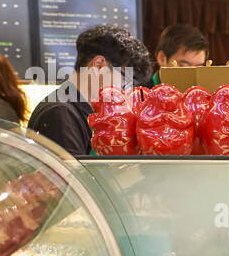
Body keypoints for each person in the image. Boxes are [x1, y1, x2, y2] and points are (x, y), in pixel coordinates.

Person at [28, 24, 153, 157]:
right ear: (98, 65)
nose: (127, 91)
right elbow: (74, 176)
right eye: (126, 80)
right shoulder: (60, 113)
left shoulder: (76, 109)